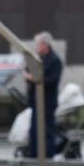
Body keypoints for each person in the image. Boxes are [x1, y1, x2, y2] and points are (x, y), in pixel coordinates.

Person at [21, 31, 64, 159]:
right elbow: (32, 74)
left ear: (45, 45)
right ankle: (34, 156)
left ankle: (47, 158)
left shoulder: (54, 60)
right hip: (36, 102)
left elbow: (51, 80)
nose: (36, 47)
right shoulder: (39, 59)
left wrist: (34, 78)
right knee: (34, 131)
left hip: (47, 102)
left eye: (37, 44)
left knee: (47, 131)